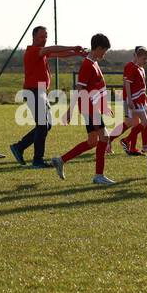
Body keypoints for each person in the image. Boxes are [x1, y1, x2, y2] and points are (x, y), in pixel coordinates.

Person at [10, 26, 85, 168]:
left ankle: (19, 147)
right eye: (41, 36)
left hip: (40, 92)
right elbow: (51, 49)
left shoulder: (41, 52)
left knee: (46, 125)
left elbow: (58, 54)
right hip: (34, 91)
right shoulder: (34, 51)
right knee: (43, 125)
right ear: (33, 37)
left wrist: (76, 53)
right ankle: (37, 160)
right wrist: (72, 47)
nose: (44, 39)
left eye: (45, 36)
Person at [50, 33, 116, 185]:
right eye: (104, 51)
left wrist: (104, 105)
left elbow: (96, 87)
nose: (104, 54)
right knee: (104, 138)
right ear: (98, 48)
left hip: (92, 107)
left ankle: (60, 160)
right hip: (89, 107)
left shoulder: (93, 62)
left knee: (93, 141)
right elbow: (79, 89)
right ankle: (99, 175)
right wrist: (69, 110)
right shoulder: (88, 65)